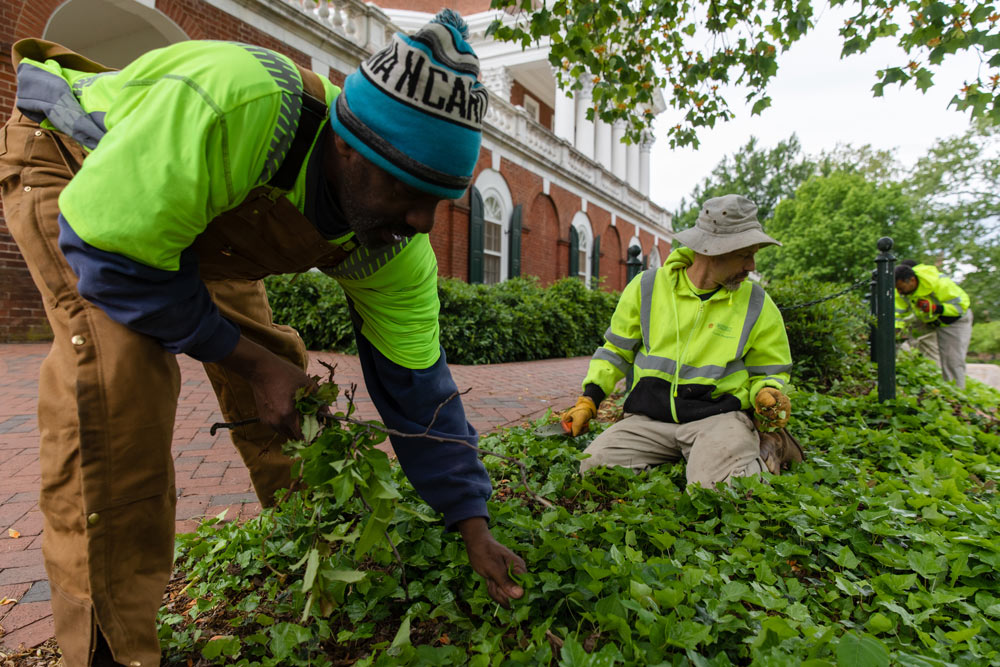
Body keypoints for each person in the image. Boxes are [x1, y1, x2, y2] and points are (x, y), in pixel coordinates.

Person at [0, 11, 525, 666]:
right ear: (348, 145)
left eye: (439, 200)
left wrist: (470, 522)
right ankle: (111, 649)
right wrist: (250, 362)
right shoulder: (245, 107)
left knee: (290, 395)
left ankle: (330, 577)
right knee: (124, 380)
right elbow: (111, 257)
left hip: (195, 213)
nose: (421, 221)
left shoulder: (395, 244)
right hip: (78, 170)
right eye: (407, 190)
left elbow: (423, 393)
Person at [562, 194, 800, 485]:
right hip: (649, 420)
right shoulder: (647, 287)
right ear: (713, 250)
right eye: (744, 254)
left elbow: (770, 370)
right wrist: (589, 399)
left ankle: (768, 443)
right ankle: (696, 457)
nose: (751, 265)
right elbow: (615, 352)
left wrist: (767, 393)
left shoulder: (756, 303)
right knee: (594, 471)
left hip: (719, 419)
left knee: (720, 490)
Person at [894, 262, 973, 388]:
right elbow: (898, 313)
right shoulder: (901, 291)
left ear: (912, 280)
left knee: (952, 361)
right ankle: (886, 367)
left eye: (901, 288)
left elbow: (961, 307)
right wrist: (897, 329)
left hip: (953, 321)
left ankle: (956, 394)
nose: (899, 292)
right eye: (897, 289)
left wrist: (936, 308)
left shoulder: (939, 283)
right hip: (927, 318)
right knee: (895, 333)